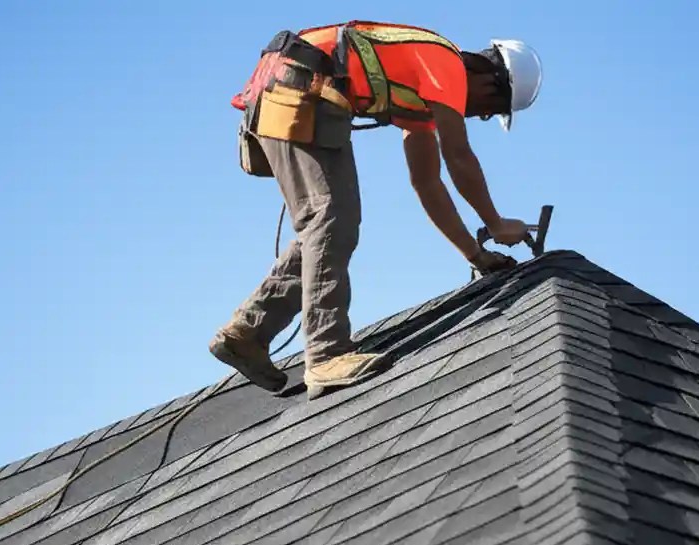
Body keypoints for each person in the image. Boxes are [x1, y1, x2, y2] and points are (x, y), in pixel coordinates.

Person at [211, 21, 543, 400]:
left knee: (324, 225)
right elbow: (459, 155)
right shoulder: (445, 63)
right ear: (489, 80)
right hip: (301, 86)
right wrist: (496, 222)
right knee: (330, 217)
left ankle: (247, 334)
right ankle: (326, 354)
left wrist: (476, 254)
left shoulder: (420, 90)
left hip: (286, 88)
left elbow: (427, 182)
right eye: (490, 109)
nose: (477, 116)